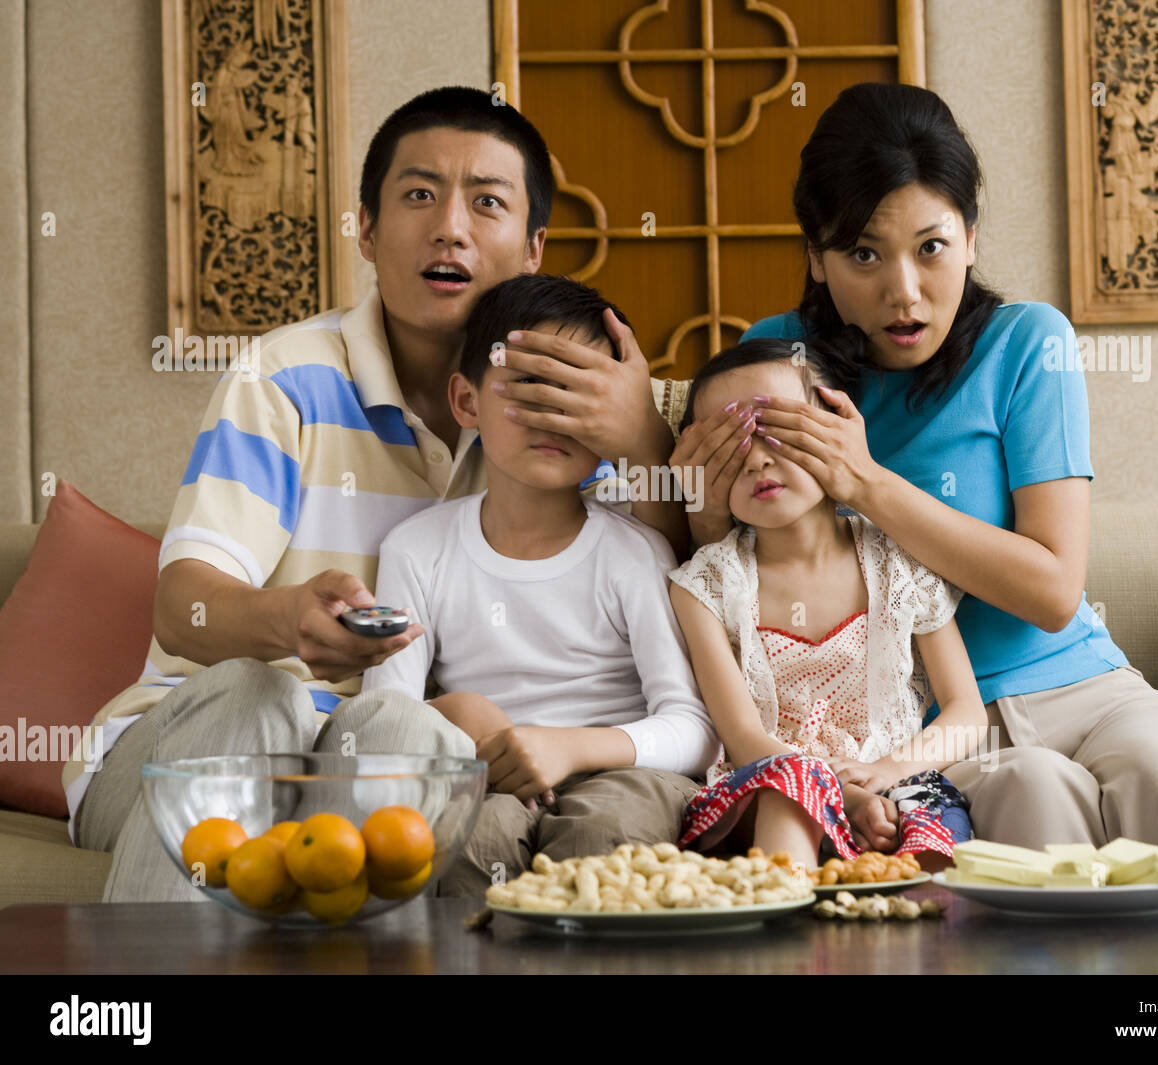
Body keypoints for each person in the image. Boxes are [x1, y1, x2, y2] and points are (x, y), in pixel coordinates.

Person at [65, 86, 691, 903]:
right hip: (200, 737)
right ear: (365, 228)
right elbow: (180, 606)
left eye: (488, 203)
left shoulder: (560, 405)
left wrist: (642, 434)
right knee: (270, 693)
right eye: (419, 194)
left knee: (409, 731)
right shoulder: (283, 378)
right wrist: (287, 618)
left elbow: (682, 604)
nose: (451, 227)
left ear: (533, 247)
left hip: (383, 749)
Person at [669, 81, 1158, 884]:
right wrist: (702, 513)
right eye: (862, 254)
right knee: (1033, 797)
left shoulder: (1029, 344)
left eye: (931, 246)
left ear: (972, 236)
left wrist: (868, 482)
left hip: (1082, 687)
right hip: (922, 730)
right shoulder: (778, 361)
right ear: (815, 257)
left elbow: (1054, 591)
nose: (904, 291)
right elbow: (733, 557)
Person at [362, 273, 719, 896]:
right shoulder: (415, 550)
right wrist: (457, 716)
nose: (555, 414)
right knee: (471, 842)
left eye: (577, 391)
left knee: (603, 835)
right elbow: (386, 721)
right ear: (467, 401)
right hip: (487, 773)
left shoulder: (636, 552)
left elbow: (692, 728)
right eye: (530, 385)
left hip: (623, 772)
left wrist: (568, 748)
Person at [666, 338, 982, 874]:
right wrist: (837, 791)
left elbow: (966, 714)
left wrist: (883, 772)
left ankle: (916, 936)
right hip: (765, 783)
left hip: (892, 779)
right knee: (792, 791)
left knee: (932, 829)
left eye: (777, 430)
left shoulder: (900, 561)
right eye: (731, 443)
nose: (758, 457)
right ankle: (784, 925)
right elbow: (742, 738)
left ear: (835, 425)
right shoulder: (707, 585)